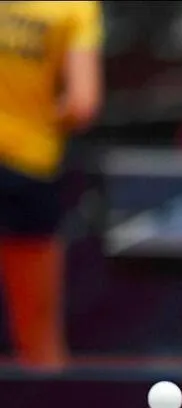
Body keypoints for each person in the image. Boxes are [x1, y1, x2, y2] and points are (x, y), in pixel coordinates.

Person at [0, 1, 104, 368]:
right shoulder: (73, 7)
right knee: (39, 340)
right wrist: (39, 117)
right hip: (29, 168)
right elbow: (82, 103)